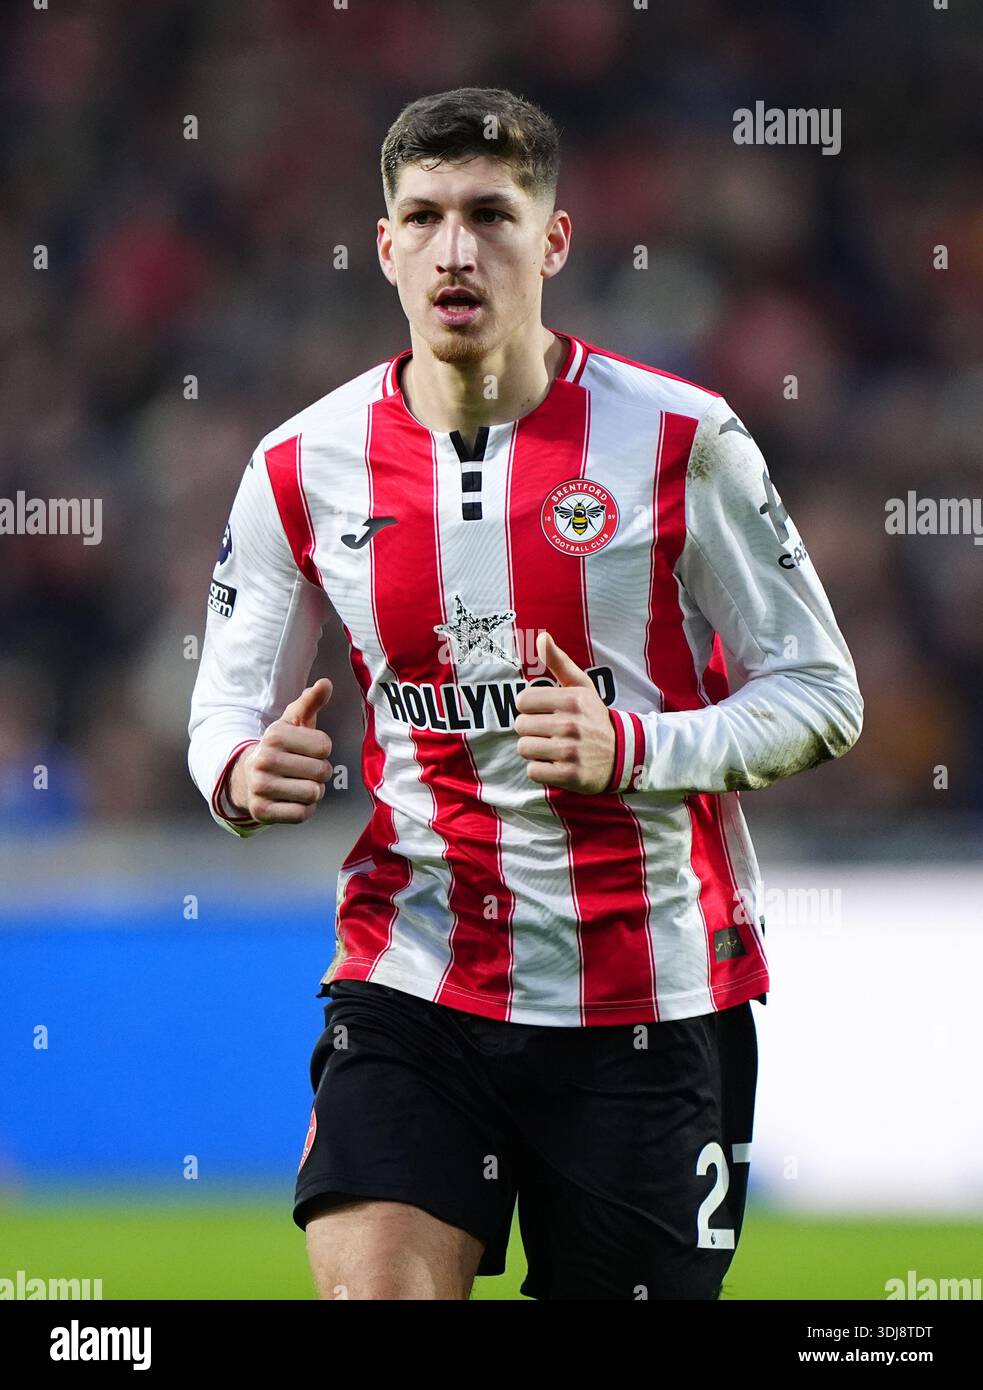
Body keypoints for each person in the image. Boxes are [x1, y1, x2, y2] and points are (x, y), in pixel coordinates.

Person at [187, 86, 863, 1300]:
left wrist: (634, 746)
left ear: (551, 241)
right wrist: (237, 774)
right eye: (425, 215)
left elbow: (820, 691)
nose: (458, 248)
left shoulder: (682, 439)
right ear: (384, 245)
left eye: (492, 214)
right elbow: (220, 711)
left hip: (646, 995)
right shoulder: (298, 463)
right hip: (413, 974)